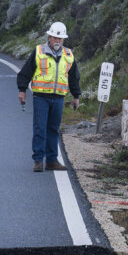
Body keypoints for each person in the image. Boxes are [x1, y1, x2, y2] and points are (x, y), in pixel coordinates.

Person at [16, 22, 81, 172]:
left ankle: (52, 161)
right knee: (40, 128)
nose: (57, 41)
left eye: (60, 39)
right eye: (55, 38)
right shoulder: (39, 51)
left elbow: (74, 77)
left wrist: (76, 96)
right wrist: (22, 90)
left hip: (58, 98)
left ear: (63, 40)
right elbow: (25, 72)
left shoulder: (69, 55)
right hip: (41, 98)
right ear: (49, 37)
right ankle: (38, 160)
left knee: (53, 129)